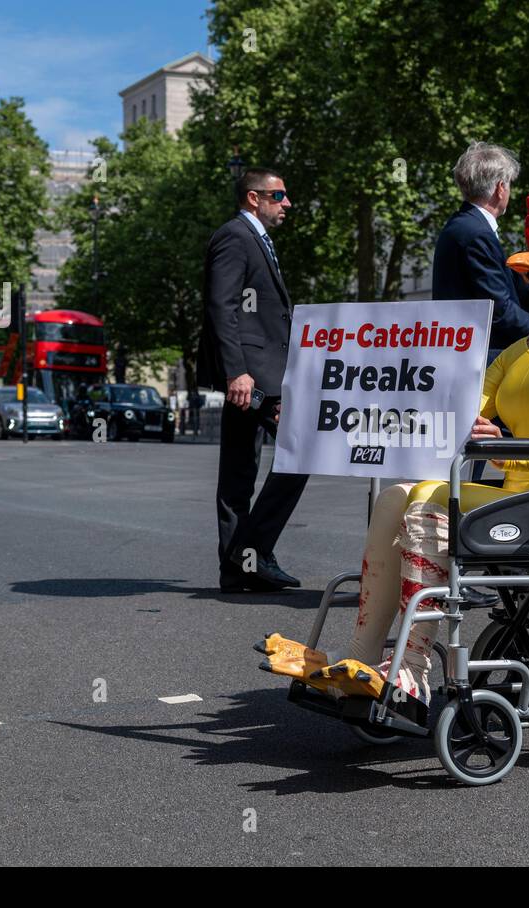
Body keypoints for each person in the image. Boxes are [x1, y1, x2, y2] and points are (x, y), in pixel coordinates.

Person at [258, 189, 529, 724]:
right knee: (396, 496)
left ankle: (411, 667)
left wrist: (510, 450)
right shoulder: (516, 351)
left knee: (430, 503)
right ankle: (363, 662)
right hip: (517, 503)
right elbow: (449, 411)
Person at [197, 167, 308, 593]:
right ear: (253, 198)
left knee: (239, 470)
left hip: (254, 372)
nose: (287, 203)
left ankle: (237, 566)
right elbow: (221, 308)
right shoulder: (235, 237)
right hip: (252, 376)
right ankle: (254, 552)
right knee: (301, 453)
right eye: (278, 196)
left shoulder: (255, 239)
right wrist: (237, 372)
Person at [432, 142, 529, 358]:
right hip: (481, 359)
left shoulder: (466, 226)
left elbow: (510, 295)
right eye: (509, 184)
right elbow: (497, 311)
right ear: (500, 188)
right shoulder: (476, 233)